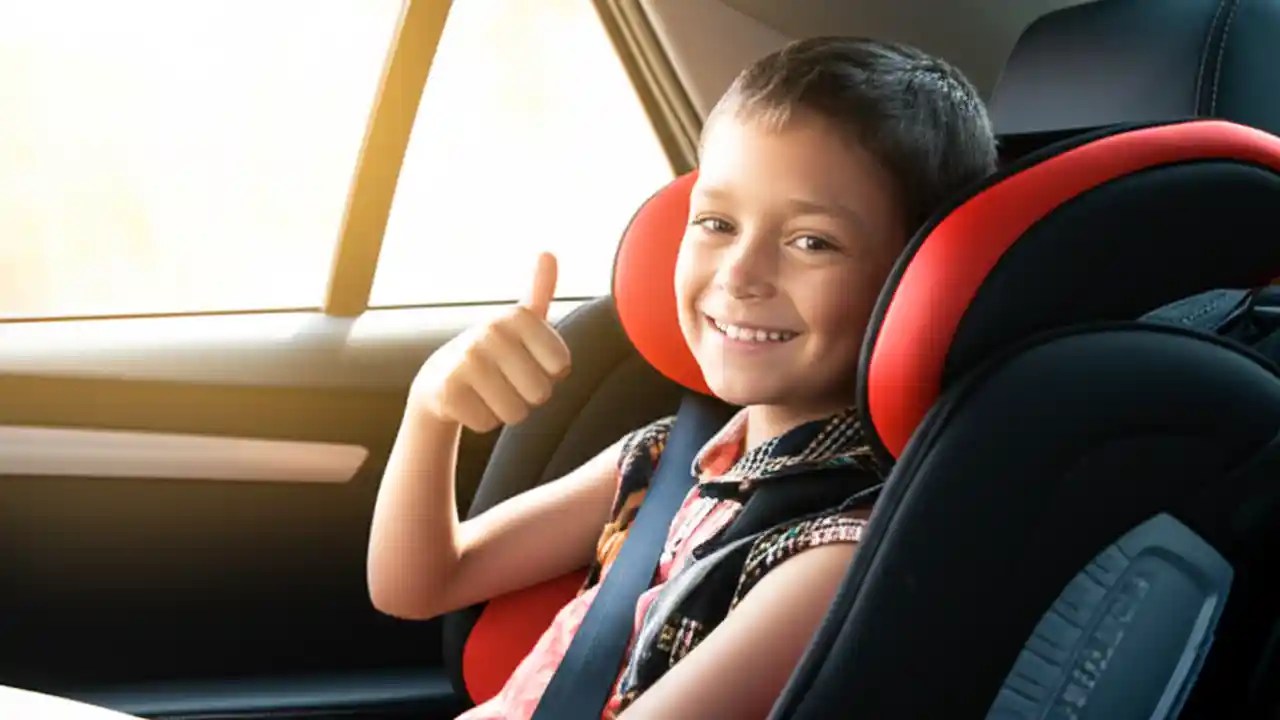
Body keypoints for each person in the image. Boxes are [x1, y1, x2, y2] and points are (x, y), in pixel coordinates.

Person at [367, 36, 998, 719]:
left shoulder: (834, 554)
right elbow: (422, 582)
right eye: (717, 223)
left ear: (917, 279)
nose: (739, 274)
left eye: (811, 242)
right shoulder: (671, 458)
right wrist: (431, 410)